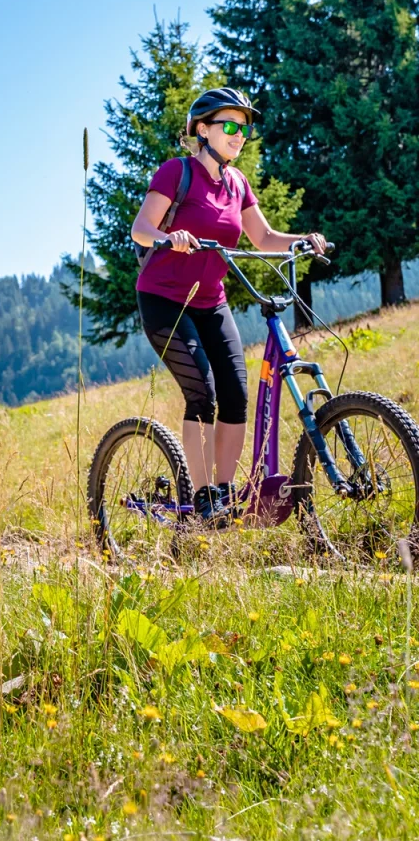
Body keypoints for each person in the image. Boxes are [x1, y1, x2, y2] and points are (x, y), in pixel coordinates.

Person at [131, 87, 327, 525]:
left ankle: (224, 496)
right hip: (165, 301)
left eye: (246, 127)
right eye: (231, 125)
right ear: (203, 130)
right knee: (202, 391)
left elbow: (264, 238)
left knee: (237, 395)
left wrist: (301, 240)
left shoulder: (237, 183)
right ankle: (201, 498)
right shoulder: (175, 173)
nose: (241, 134)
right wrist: (169, 237)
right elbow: (141, 228)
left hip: (210, 302)